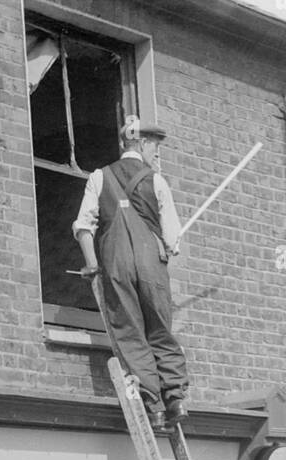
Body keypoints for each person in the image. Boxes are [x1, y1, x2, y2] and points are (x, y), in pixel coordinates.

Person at [72, 115, 189, 431]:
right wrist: (167, 244)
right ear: (144, 144)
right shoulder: (157, 180)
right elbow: (173, 238)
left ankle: (154, 408)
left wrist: (93, 265)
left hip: (115, 263)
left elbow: (84, 227)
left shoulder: (99, 177)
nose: (156, 154)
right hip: (151, 264)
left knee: (130, 333)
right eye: (155, 147)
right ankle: (175, 399)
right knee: (160, 329)